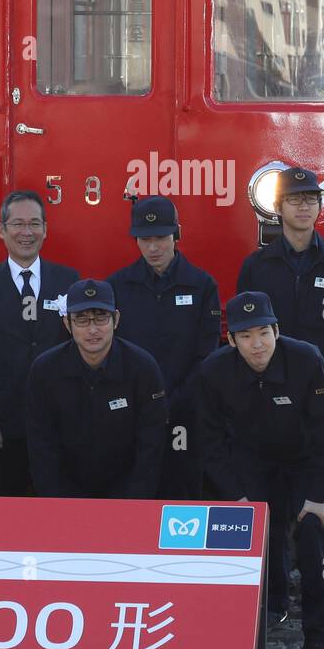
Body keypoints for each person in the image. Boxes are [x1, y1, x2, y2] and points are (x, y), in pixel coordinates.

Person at [236, 166, 324, 633]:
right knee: (270, 501)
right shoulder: (257, 267)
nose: (304, 206)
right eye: (294, 199)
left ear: (320, 206)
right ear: (279, 207)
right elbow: (243, 336)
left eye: (311, 198)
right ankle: (274, 601)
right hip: (268, 405)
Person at [197, 291, 324, 649]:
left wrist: (319, 497)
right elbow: (210, 444)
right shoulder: (213, 372)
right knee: (246, 532)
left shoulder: (307, 360)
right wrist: (236, 496)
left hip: (303, 460)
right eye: (245, 336)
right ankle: (261, 616)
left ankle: (321, 633)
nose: (256, 344)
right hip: (251, 462)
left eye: (263, 332)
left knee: (312, 533)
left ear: (277, 330)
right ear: (231, 340)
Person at [0, 190, 78, 496]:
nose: (26, 232)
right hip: (4, 423)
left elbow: (79, 351)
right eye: (17, 224)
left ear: (45, 229)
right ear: (2, 230)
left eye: (34, 224)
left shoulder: (68, 280)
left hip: (59, 421)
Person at [107, 196, 220, 499]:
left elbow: (205, 357)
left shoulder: (202, 286)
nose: (153, 247)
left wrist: (172, 403)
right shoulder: (117, 286)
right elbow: (110, 351)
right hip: (131, 415)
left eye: (161, 238)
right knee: (132, 494)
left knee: (180, 493)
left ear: (177, 234)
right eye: (144, 239)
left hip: (184, 414)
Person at [25, 279, 168, 499]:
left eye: (101, 318)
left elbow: (150, 445)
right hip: (65, 495)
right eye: (81, 320)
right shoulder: (45, 370)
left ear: (116, 319)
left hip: (128, 494)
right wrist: (57, 502)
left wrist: (134, 502)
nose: (92, 330)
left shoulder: (143, 367)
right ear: (67, 324)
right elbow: (41, 446)